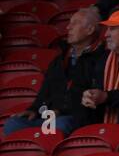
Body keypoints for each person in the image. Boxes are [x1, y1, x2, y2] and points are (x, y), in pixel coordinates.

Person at [3, 8, 104, 136]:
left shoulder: (101, 58)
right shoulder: (60, 59)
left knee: (60, 125)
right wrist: (33, 109)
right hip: (50, 118)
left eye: (75, 23)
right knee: (13, 124)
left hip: (75, 119)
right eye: (69, 23)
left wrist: (60, 111)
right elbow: (46, 89)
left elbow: (93, 99)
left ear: (90, 30)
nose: (68, 27)